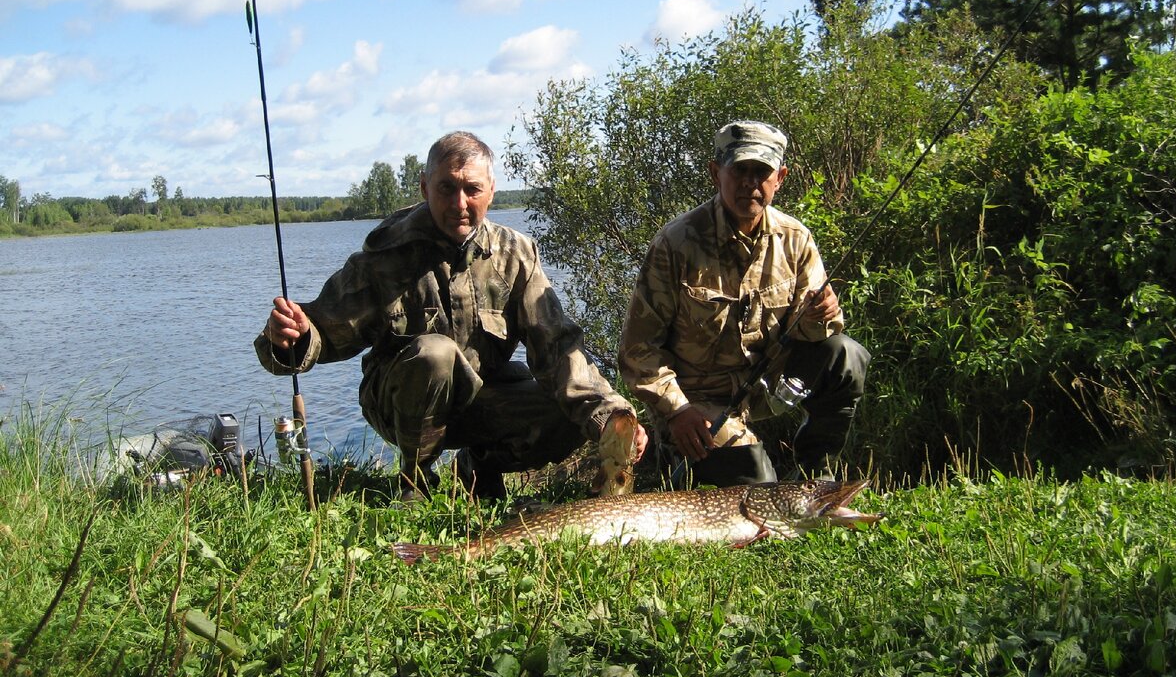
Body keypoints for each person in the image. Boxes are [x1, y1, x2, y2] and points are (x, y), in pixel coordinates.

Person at [257, 130, 647, 500]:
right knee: (435, 354)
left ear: (491, 192)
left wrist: (611, 415)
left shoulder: (516, 255)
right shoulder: (386, 256)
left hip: (478, 395)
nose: (459, 203)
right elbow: (324, 332)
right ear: (426, 188)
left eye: (472, 189)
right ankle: (416, 482)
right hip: (397, 406)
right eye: (447, 188)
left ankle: (479, 468)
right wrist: (292, 336)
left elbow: (558, 348)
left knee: (571, 414)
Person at [618, 120, 870, 486]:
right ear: (716, 173)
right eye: (739, 170)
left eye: (761, 172)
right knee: (756, 483)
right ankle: (695, 459)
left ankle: (816, 478)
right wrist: (678, 410)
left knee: (846, 354)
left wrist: (823, 315)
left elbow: (815, 335)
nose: (749, 182)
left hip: (767, 384)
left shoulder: (796, 240)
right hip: (698, 402)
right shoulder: (676, 244)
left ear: (779, 177)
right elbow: (638, 351)